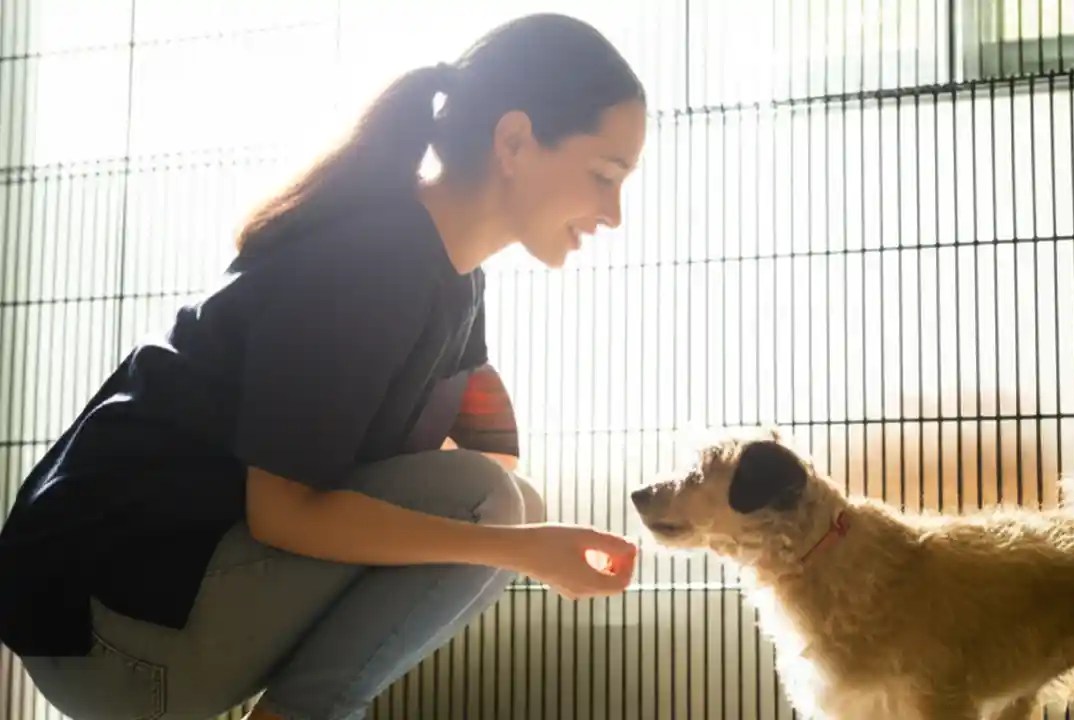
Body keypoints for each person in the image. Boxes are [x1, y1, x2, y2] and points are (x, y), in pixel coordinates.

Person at [0, 13, 647, 720]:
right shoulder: (366, 265)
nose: (614, 212)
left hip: (161, 607)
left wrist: (522, 540)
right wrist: (515, 546)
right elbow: (284, 515)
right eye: (603, 174)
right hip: (111, 639)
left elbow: (481, 446)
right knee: (489, 506)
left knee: (506, 506)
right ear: (515, 140)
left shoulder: (451, 277)